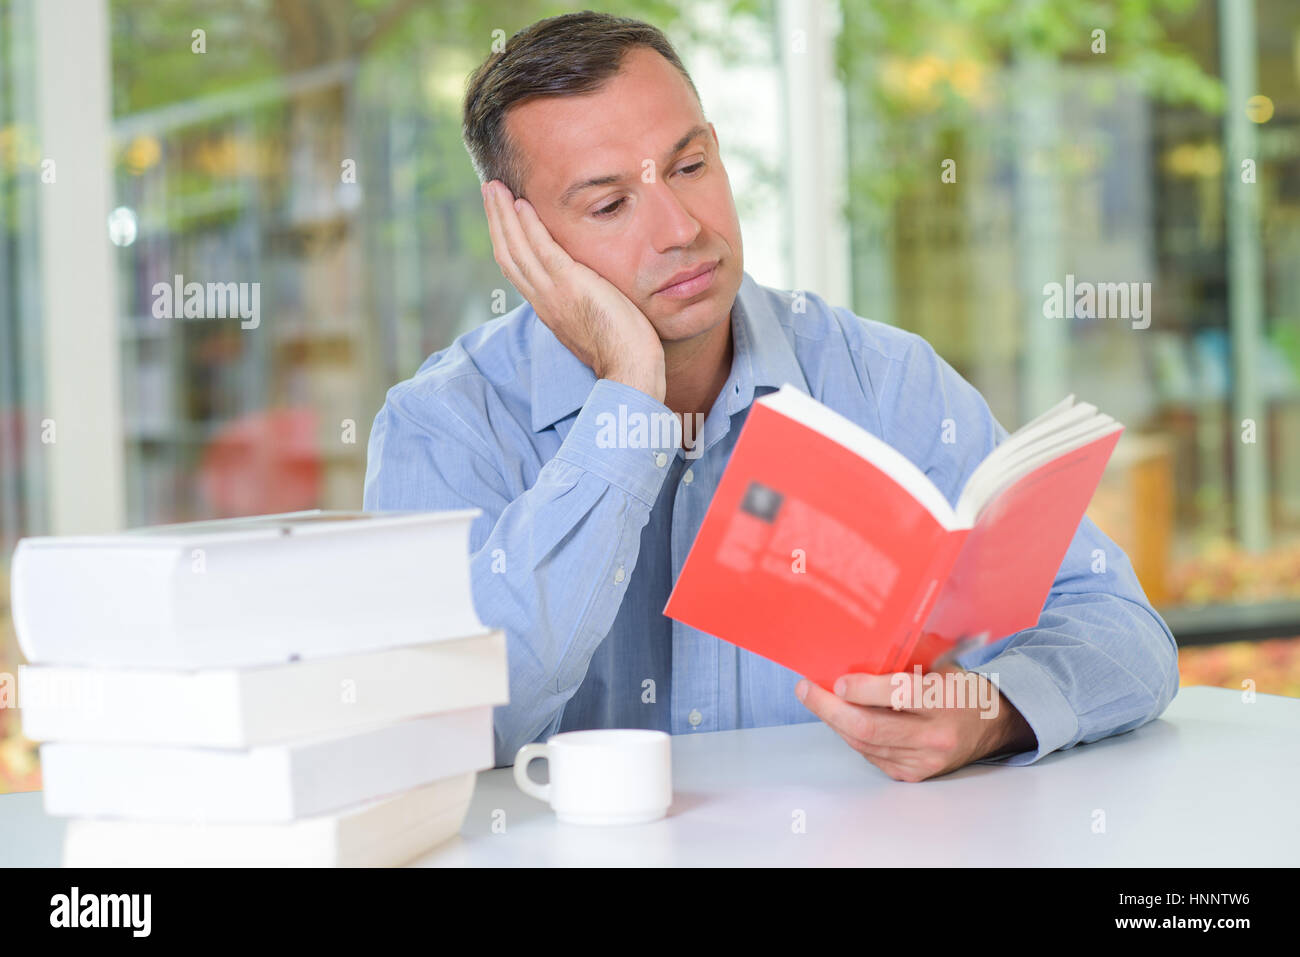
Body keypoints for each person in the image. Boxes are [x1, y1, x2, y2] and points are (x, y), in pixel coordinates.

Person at [363, 11, 1179, 782]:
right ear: (523, 240)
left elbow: (1128, 633)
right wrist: (629, 402)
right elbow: (443, 731)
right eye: (611, 204)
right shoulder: (441, 428)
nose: (681, 227)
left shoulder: (883, 379)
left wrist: (991, 712)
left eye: (690, 167)